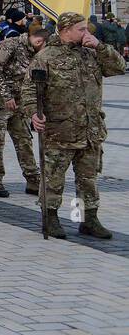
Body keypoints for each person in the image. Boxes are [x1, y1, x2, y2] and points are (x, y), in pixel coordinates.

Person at [25, 12, 124, 239]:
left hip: (90, 130)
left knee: (87, 179)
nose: (85, 33)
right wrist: (32, 113)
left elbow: (118, 67)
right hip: (61, 130)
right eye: (81, 29)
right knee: (53, 178)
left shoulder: (91, 53)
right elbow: (29, 90)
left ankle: (87, 218)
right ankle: (50, 218)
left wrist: (100, 46)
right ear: (65, 29)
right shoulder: (46, 57)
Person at [0, 20, 44, 198]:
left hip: (21, 102)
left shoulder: (38, 52)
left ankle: (33, 180)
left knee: (24, 140)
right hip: (0, 101)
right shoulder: (10, 45)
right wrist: (6, 95)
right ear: (37, 40)